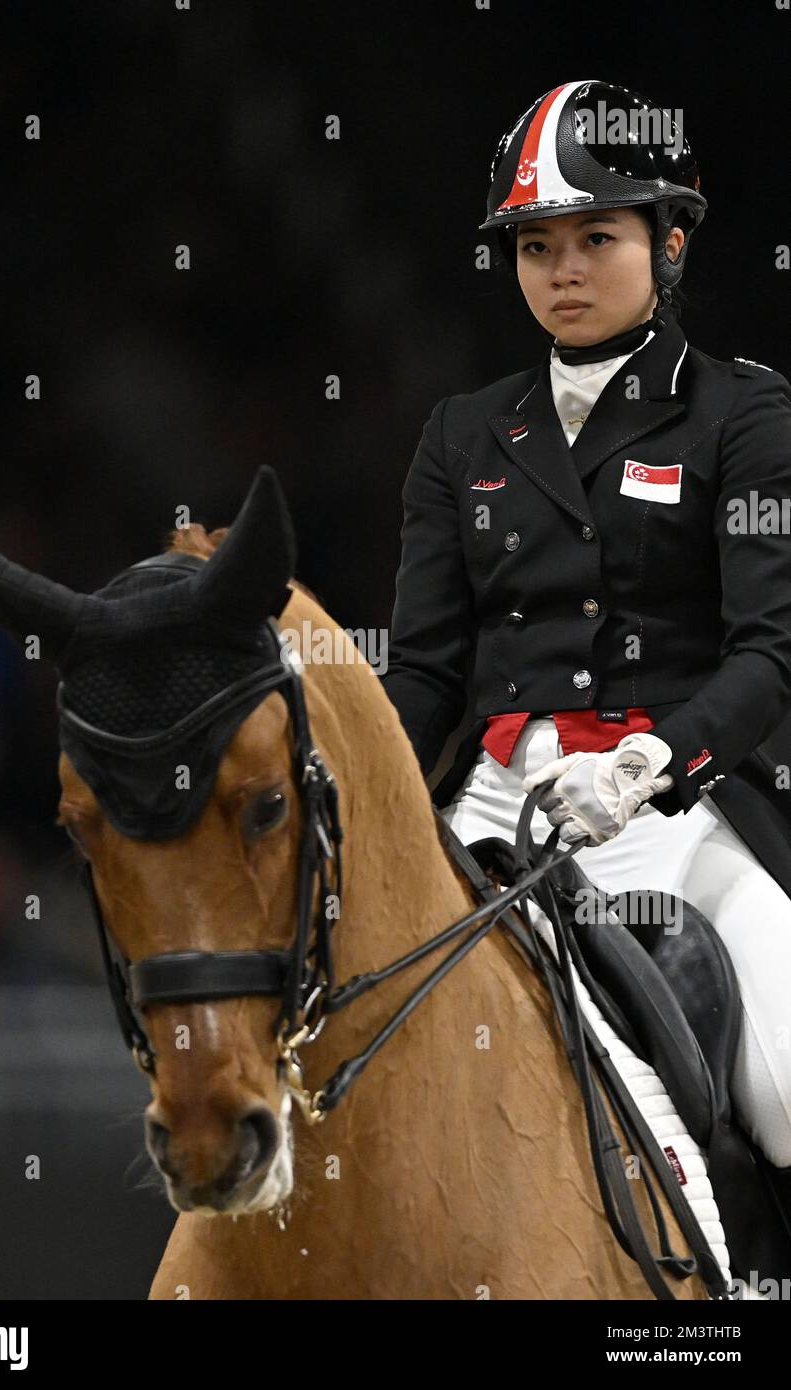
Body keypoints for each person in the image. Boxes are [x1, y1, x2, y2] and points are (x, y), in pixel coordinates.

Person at [380, 80, 791, 1214]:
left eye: (595, 239)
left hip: (670, 811)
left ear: (668, 243)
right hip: (490, 815)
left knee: (787, 1084)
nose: (561, 271)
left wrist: (650, 763)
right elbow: (423, 673)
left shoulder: (742, 416)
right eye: (535, 246)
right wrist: (350, 778)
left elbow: (768, 654)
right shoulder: (463, 433)